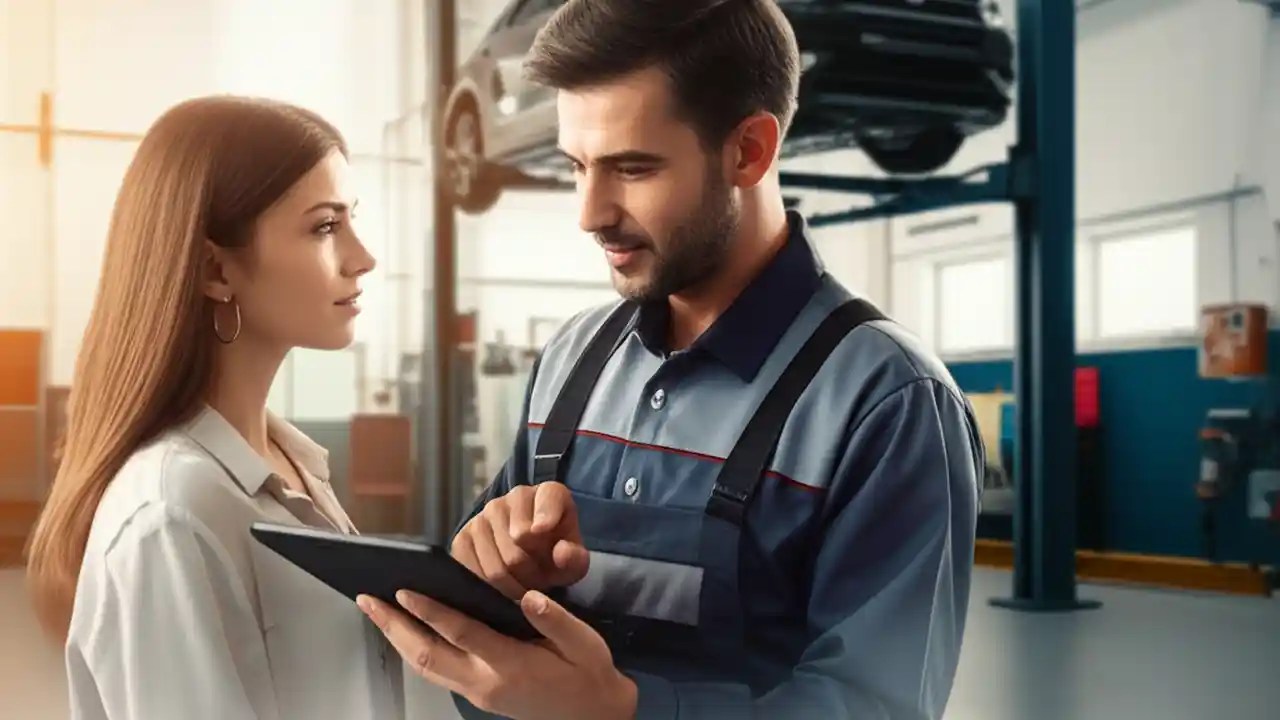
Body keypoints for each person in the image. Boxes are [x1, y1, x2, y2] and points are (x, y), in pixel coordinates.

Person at [358, 1, 984, 718]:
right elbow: (493, 644)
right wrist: (493, 580)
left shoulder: (889, 402)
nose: (590, 212)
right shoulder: (570, 358)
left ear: (749, 150)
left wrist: (624, 712)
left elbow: (878, 708)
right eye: (577, 166)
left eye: (632, 167)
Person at [25, 96, 405, 720]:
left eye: (350, 220)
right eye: (325, 226)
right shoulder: (172, 514)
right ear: (213, 269)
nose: (362, 258)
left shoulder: (289, 464)